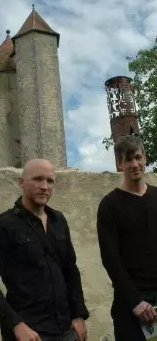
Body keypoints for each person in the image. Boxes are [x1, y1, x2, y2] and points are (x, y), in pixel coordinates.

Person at [0, 159, 89, 341]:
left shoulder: (58, 220)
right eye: (38, 179)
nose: (44, 186)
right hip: (28, 333)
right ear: (21, 182)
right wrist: (15, 325)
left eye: (50, 181)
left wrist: (78, 315)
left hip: (66, 329)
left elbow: (70, 270)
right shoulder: (3, 225)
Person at [97, 135, 157, 340]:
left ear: (145, 158)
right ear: (119, 164)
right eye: (128, 159)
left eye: (138, 157)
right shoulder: (109, 205)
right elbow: (110, 259)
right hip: (130, 306)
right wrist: (135, 302)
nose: (134, 164)